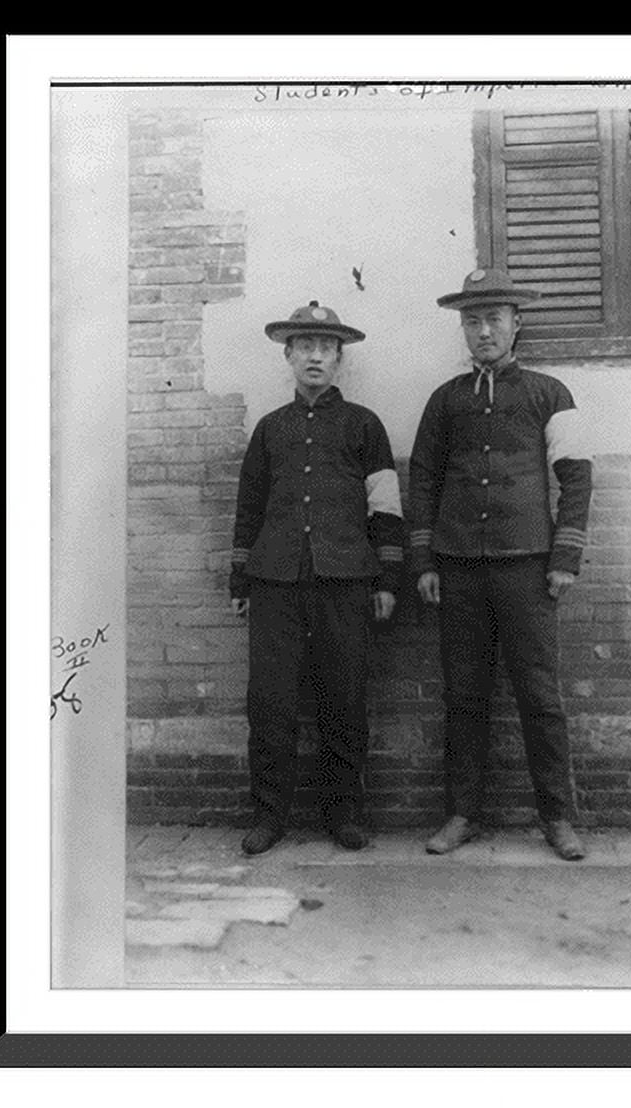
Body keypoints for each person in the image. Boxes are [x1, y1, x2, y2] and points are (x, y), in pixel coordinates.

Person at [409, 268, 593, 860]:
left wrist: (565, 557)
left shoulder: (549, 393)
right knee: (464, 697)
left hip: (528, 570)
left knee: (540, 698)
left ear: (517, 324)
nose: (483, 331)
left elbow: (576, 478)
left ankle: (558, 819)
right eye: (472, 321)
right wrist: (425, 560)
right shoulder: (445, 401)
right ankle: (462, 814)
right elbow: (423, 480)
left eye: (494, 319)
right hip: (459, 570)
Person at [229, 301, 403, 856]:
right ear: (288, 355)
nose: (315, 357)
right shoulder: (270, 429)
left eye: (326, 348)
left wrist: (387, 579)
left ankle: (344, 813)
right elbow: (249, 506)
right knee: (270, 702)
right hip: (275, 582)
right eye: (304, 346)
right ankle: (269, 815)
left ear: (339, 359)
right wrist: (240, 581)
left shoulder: (364, 425)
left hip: (344, 581)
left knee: (344, 697)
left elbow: (386, 506)